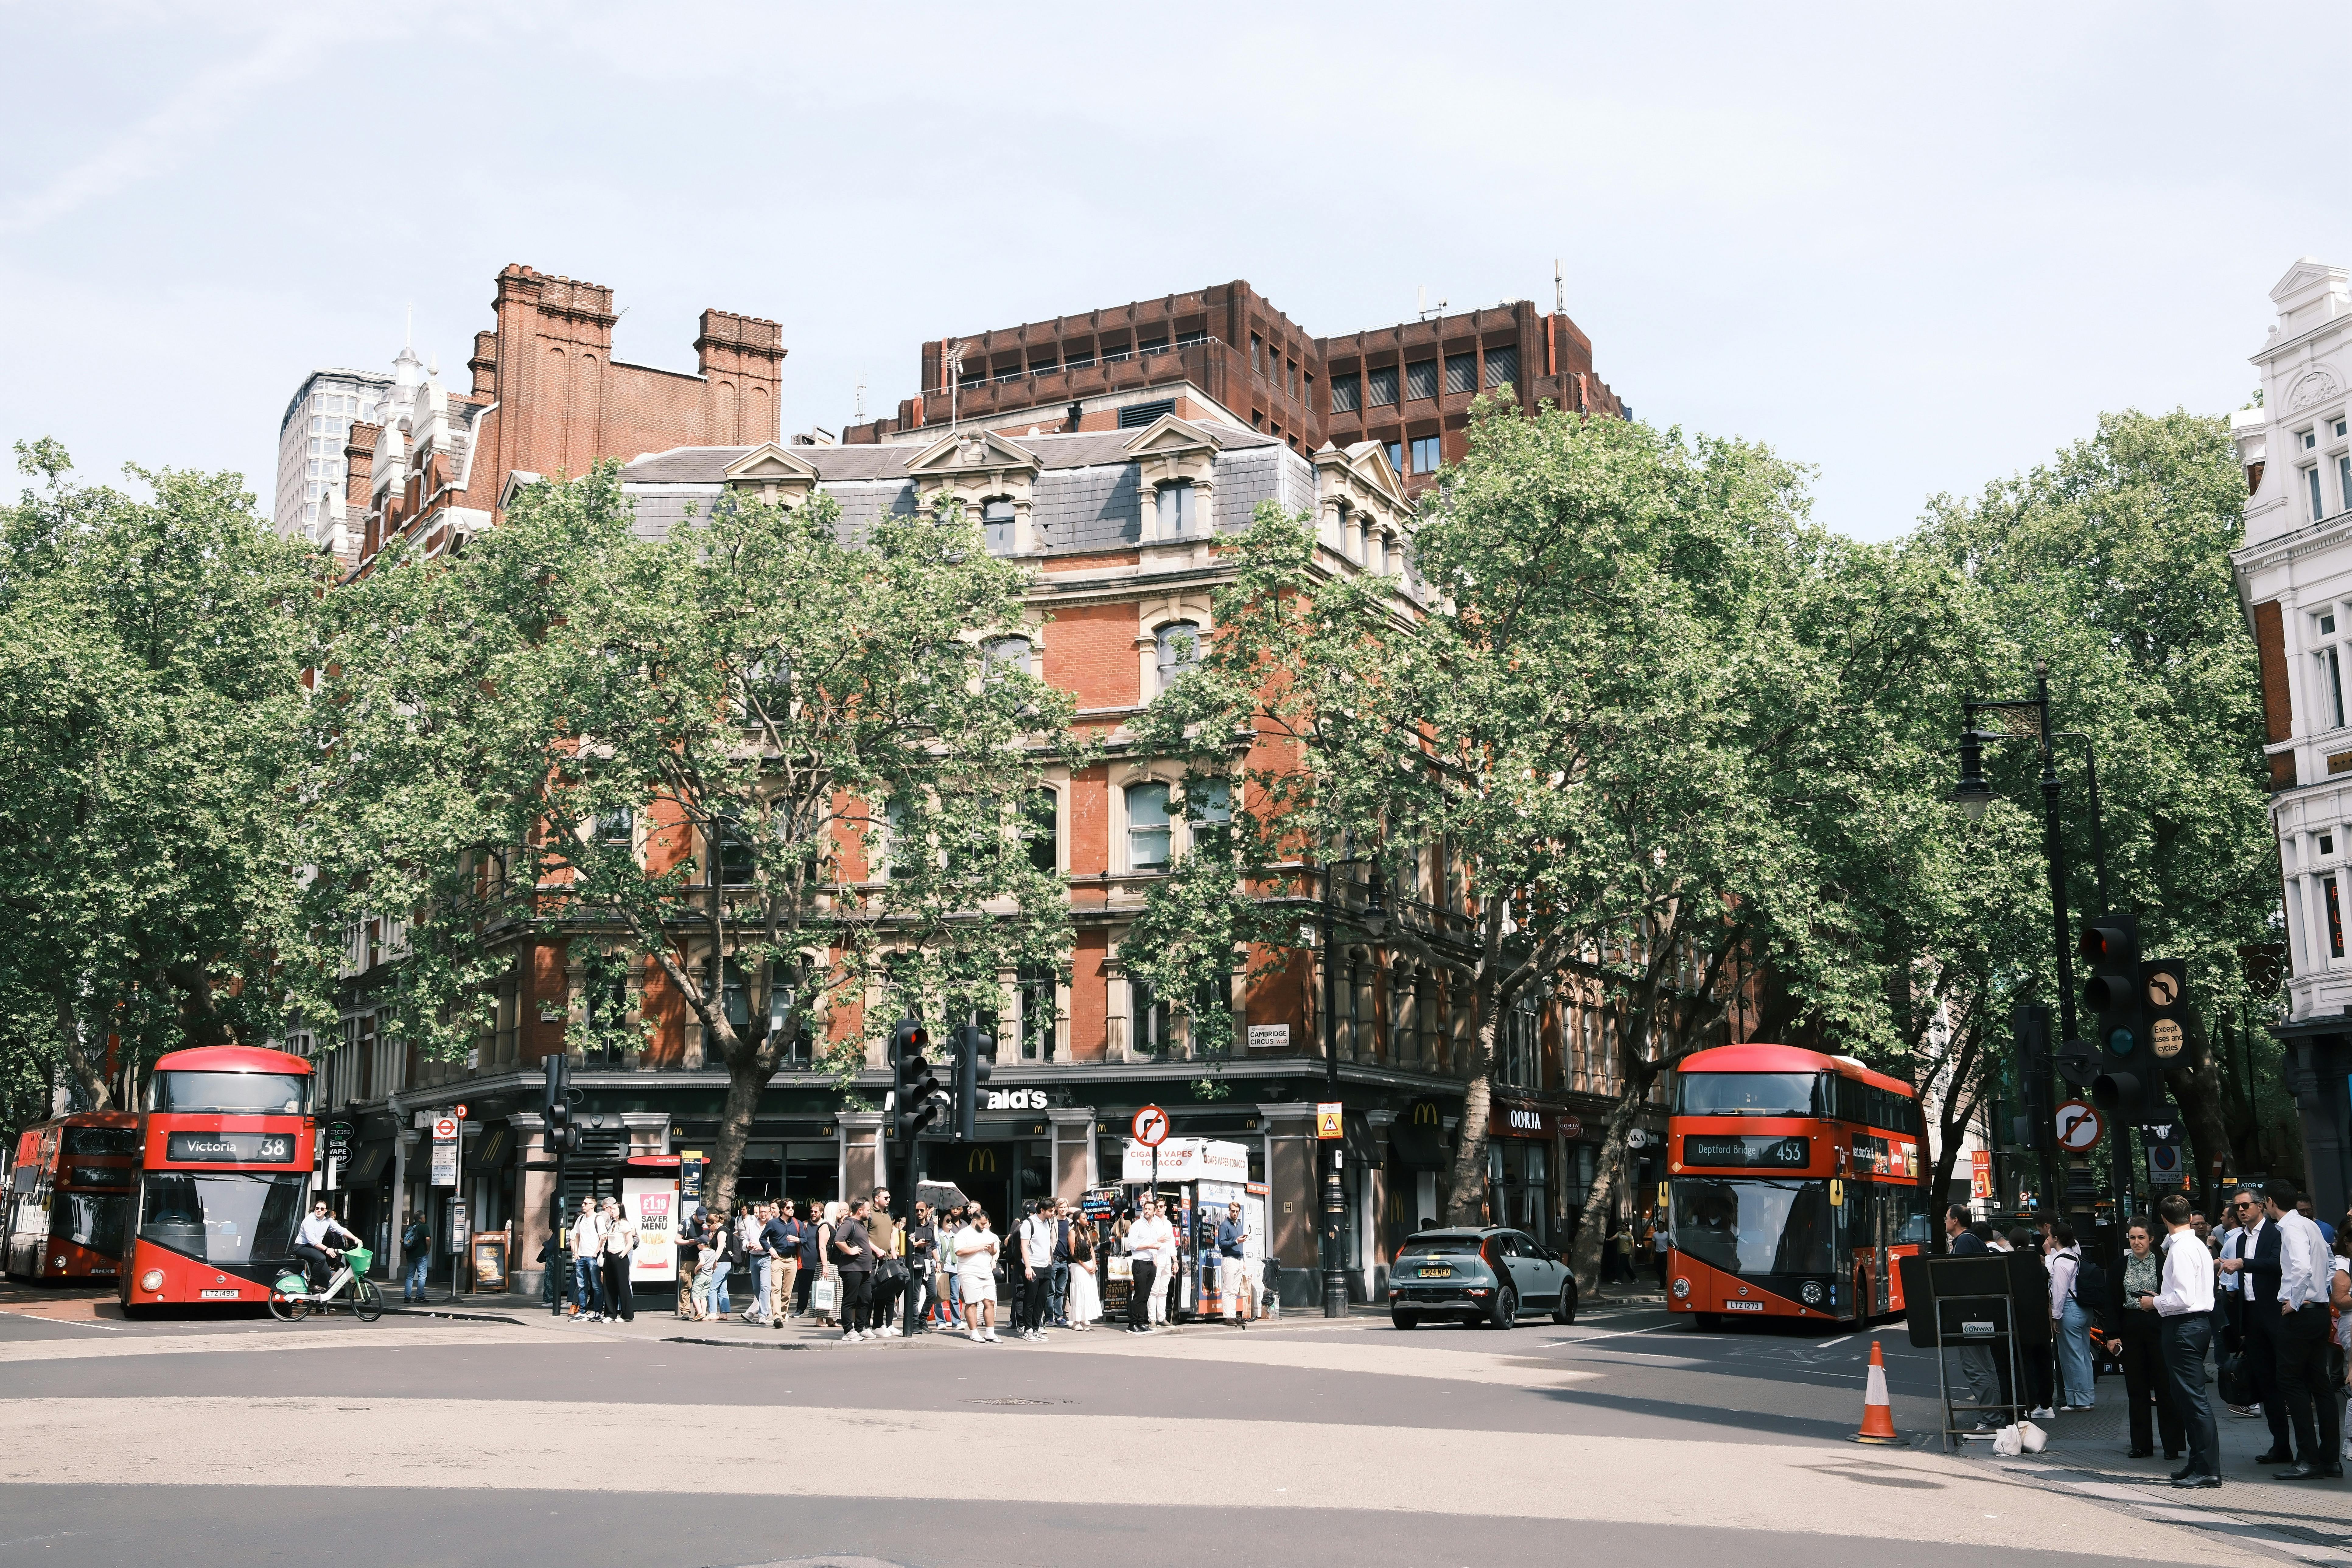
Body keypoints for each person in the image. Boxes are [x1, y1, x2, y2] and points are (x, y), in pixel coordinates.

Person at [2263, 1181, 2340, 1479]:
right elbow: (2330, 1264)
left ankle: (2308, 1459)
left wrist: (2294, 1302)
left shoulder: (2293, 1228)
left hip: (2302, 1315)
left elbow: (2302, 1268)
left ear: (2271, 1202)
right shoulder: (2310, 1226)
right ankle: (2330, 1460)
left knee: (2291, 1382)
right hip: (2318, 1311)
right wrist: (2321, 1292)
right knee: (2320, 1384)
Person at [2144, 1192, 2220, 1489]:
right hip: (2195, 1324)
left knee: (2193, 1400)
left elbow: (2184, 1297)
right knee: (2188, 1399)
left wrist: (2156, 1303)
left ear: (2163, 1220)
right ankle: (2199, 1462)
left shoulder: (2181, 1249)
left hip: (2184, 1325)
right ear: (2189, 1217)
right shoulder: (2197, 1245)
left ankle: (2208, 1468)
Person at [2225, 1185, 2297, 1464]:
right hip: (2253, 1317)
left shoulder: (2276, 1232)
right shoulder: (2240, 1239)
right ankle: (2280, 1445)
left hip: (2277, 1313)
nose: (2241, 1211)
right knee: (2265, 1382)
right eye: (2237, 1208)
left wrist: (2243, 1263)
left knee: (2288, 1380)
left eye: (2246, 1206)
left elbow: (2277, 1264)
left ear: (2261, 1206)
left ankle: (2303, 1447)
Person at [2112, 1220, 2185, 1460]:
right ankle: (2141, 1445)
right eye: (2133, 1238)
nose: (2137, 1243)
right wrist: (2113, 1335)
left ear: (2151, 1239)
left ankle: (2172, 1446)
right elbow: (2111, 1301)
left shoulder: (2164, 1264)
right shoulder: (2120, 1266)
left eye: (2141, 1238)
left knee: (2166, 1388)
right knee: (2137, 1389)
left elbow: (2175, 1296)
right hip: (2131, 1330)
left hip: (2159, 1328)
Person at [1940, 1206, 2003, 1425]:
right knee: (1986, 1367)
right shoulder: (1974, 1240)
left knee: (1975, 1368)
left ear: (1956, 1221)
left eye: (1947, 1218)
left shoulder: (1965, 1242)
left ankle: (1991, 1419)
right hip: (1980, 1313)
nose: (1945, 1221)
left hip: (1969, 1315)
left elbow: (1962, 1279)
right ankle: (1997, 1415)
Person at [2006, 1227, 2057, 1419]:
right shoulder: (2038, 1262)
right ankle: (2046, 1404)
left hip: (2020, 1320)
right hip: (2041, 1319)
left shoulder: (2009, 1262)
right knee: (2044, 1360)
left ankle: (2028, 1403)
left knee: (2024, 1363)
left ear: (2011, 1243)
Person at [2047, 1222, 2095, 1410]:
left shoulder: (2061, 1262)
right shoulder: (2076, 1256)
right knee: (2083, 1354)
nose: (2048, 1239)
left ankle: (2079, 1401)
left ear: (2056, 1239)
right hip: (2084, 1309)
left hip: (2069, 1309)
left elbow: (2059, 1291)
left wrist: (2055, 1316)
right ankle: (2087, 1396)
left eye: (2050, 1236)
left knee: (2070, 1356)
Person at [953, 1206, 1002, 1343]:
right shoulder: (964, 1234)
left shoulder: (988, 1234)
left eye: (986, 1223)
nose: (985, 1226)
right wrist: (979, 1248)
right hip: (969, 1272)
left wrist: (992, 1251)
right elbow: (959, 1252)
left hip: (986, 1272)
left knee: (990, 1302)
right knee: (972, 1303)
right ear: (975, 1221)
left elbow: (994, 1252)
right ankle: (974, 1333)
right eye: (982, 1223)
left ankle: (990, 1333)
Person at [1127, 1196, 1176, 1332]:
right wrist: (1149, 1246)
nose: (1147, 1211)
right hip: (1140, 1263)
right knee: (1139, 1294)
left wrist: (1158, 1259)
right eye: (1145, 1209)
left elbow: (1161, 1244)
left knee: (1146, 1295)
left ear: (1154, 1212)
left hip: (1151, 1263)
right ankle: (1132, 1325)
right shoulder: (1137, 1225)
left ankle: (1141, 1322)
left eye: (1150, 1209)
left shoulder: (1155, 1226)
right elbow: (1131, 1244)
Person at [294, 1201, 361, 1293]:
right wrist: (327, 1249)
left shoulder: (328, 1220)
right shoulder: (309, 1220)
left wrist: (355, 1239)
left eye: (322, 1209)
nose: (319, 1211)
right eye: (317, 1208)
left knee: (326, 1274)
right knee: (321, 1258)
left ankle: (321, 1304)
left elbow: (341, 1230)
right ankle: (312, 1285)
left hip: (314, 1249)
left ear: (326, 1211)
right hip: (301, 1247)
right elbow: (312, 1241)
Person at [1015, 1198, 1058, 1342]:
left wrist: (1050, 1261)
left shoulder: (1049, 1223)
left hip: (1046, 1266)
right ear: (1042, 1211)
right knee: (1030, 1298)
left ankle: (1036, 1327)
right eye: (1051, 1211)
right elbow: (1024, 1247)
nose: (1053, 1214)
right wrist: (1028, 1267)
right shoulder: (1029, 1223)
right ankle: (1028, 1330)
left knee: (1042, 1299)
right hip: (1033, 1266)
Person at [868, 1188, 904, 1337]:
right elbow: (864, 1236)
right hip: (871, 1260)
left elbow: (890, 1238)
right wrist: (876, 1250)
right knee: (869, 1294)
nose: (889, 1199)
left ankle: (880, 1325)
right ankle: (864, 1326)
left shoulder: (888, 1215)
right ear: (877, 1199)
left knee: (887, 1293)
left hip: (887, 1260)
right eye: (886, 1197)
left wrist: (894, 1258)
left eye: (890, 1197)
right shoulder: (869, 1213)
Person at [761, 1202, 800, 1328]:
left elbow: (805, 1239)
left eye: (793, 1208)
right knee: (776, 1289)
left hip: (792, 1260)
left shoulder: (797, 1223)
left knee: (787, 1292)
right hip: (777, 1259)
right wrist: (770, 1249)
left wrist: (798, 1240)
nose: (791, 1210)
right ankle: (777, 1317)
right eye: (788, 1208)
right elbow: (762, 1238)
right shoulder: (773, 1224)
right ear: (782, 1209)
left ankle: (783, 1315)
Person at [1215, 1199, 1252, 1328]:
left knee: (1235, 1291)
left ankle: (1232, 1315)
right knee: (1228, 1289)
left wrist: (1243, 1260)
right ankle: (1227, 1317)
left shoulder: (1239, 1225)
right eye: (1233, 1211)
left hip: (1238, 1260)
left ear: (1240, 1212)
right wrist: (1236, 1242)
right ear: (1229, 1211)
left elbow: (1240, 1246)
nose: (1235, 1213)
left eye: (1237, 1211)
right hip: (1229, 1259)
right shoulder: (1225, 1226)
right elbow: (1222, 1244)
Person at [570, 1196, 607, 1322]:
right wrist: (575, 1252)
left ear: (593, 1205)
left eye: (586, 1204)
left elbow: (603, 1236)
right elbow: (576, 1236)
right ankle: (582, 1312)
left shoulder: (598, 1219)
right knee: (582, 1286)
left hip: (592, 1257)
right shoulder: (580, 1219)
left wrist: (596, 1252)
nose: (583, 1205)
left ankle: (597, 1311)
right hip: (581, 1255)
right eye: (583, 1203)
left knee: (596, 1285)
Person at [602, 1196, 638, 1323]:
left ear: (621, 1210)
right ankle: (611, 1314)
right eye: (612, 1209)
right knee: (609, 1286)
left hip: (620, 1257)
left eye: (615, 1209)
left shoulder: (625, 1224)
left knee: (623, 1286)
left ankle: (627, 1315)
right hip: (610, 1256)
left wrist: (622, 1255)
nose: (612, 1211)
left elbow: (630, 1243)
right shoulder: (612, 1224)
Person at [1067, 1214, 1102, 1329]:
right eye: (1084, 1218)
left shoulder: (1086, 1232)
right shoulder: (1073, 1233)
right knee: (1079, 1292)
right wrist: (1086, 1267)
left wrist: (1094, 1264)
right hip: (1078, 1266)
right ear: (1078, 1220)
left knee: (1088, 1292)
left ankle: (1084, 1318)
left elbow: (1091, 1249)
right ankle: (1077, 1321)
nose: (1087, 1220)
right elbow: (1073, 1254)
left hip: (1088, 1263)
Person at [1049, 1200, 1074, 1328]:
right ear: (1057, 1208)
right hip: (1054, 1260)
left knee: (1060, 1291)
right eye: (1061, 1207)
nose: (1063, 1209)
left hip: (1065, 1262)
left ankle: (1059, 1316)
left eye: (1066, 1207)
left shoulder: (1071, 1223)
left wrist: (1070, 1210)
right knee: (1051, 1291)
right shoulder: (1052, 1222)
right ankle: (1049, 1317)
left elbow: (1077, 1212)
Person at [400, 1212, 432, 1303]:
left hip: (410, 1255)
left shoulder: (410, 1227)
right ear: (422, 1218)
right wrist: (428, 1249)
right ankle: (420, 1297)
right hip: (421, 1255)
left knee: (410, 1276)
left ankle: (407, 1297)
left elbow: (402, 1240)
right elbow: (428, 1239)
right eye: (425, 1217)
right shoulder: (424, 1227)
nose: (425, 1219)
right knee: (422, 1276)